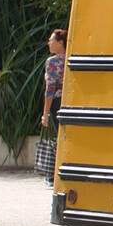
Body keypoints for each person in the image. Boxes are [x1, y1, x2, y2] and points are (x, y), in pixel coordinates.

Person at [40, 28, 67, 185]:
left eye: (52, 40)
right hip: (71, 101)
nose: (49, 43)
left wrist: (45, 113)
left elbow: (50, 89)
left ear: (60, 42)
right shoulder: (73, 57)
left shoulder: (52, 62)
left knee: (58, 138)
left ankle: (54, 174)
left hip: (57, 103)